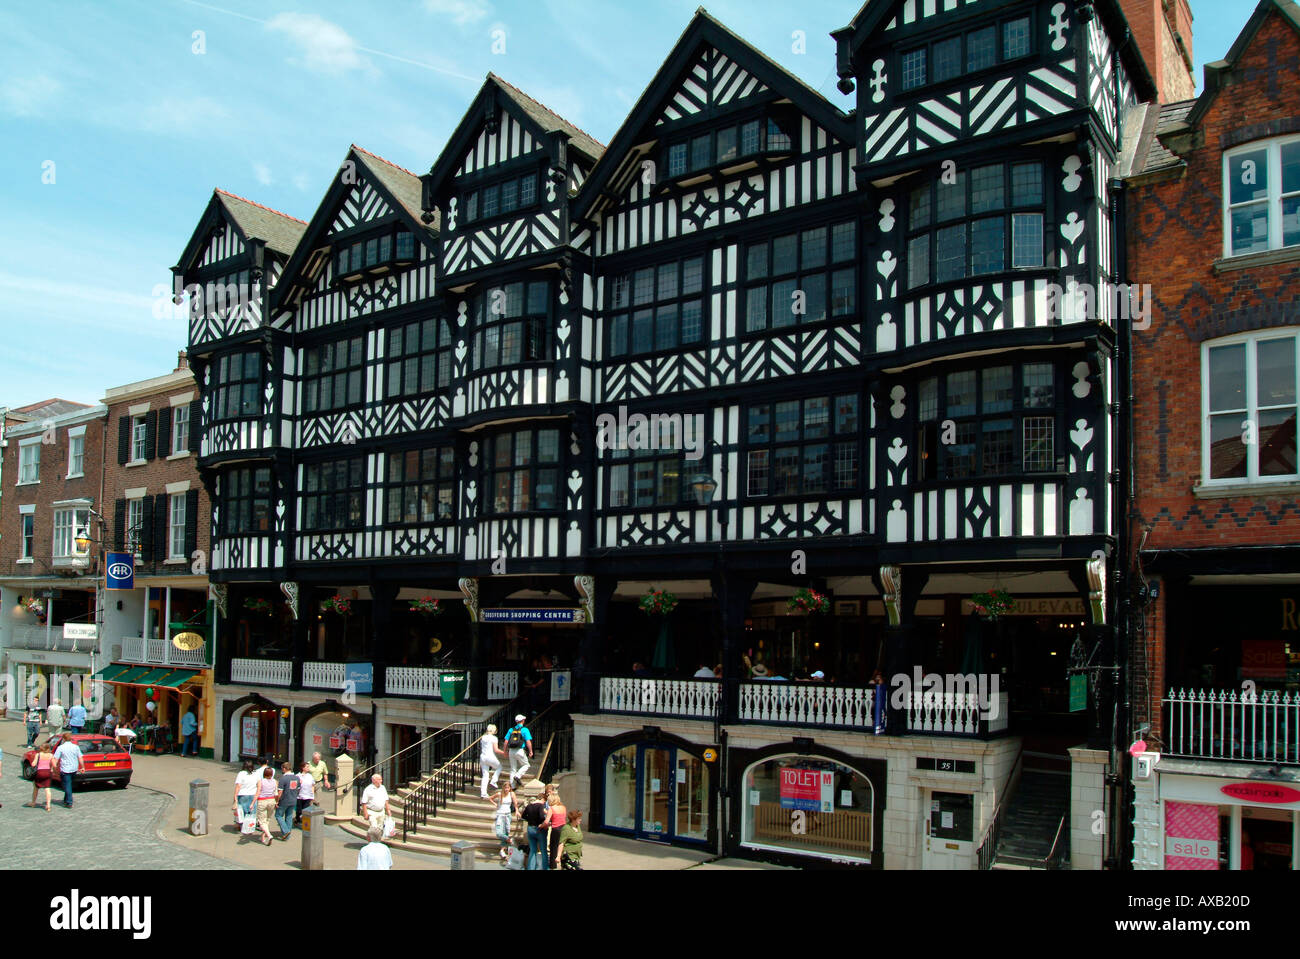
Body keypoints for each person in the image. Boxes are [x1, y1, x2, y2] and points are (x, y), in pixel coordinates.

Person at [52, 734, 85, 809]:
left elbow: (55, 759)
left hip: (65, 769)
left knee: (66, 785)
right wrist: (82, 767)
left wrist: (54, 768)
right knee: (68, 784)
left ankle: (69, 802)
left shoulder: (61, 748)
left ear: (63, 739)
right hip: (74, 769)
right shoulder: (75, 747)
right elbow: (80, 758)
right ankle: (66, 800)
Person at [486, 780, 516, 860]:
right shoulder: (499, 794)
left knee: (506, 832)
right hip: (500, 815)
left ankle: (502, 850)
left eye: (508, 788)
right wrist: (496, 804)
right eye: (505, 788)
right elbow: (490, 798)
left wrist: (517, 811)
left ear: (510, 788)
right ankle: (508, 839)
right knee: (499, 833)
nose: (506, 789)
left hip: (507, 814)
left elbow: (515, 803)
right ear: (503, 788)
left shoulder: (512, 794)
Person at [520, 791, 550, 870]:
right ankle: (545, 868)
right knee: (543, 850)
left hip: (530, 828)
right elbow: (541, 817)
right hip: (539, 829)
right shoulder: (540, 806)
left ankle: (530, 868)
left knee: (533, 850)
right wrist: (544, 820)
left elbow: (523, 816)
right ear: (543, 799)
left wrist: (530, 820)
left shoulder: (529, 806)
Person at [504, 715, 533, 787]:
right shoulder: (525, 729)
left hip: (511, 750)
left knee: (513, 768)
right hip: (520, 750)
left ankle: (512, 786)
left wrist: (505, 751)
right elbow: (528, 741)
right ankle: (517, 776)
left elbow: (506, 741)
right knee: (526, 765)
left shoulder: (511, 730)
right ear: (523, 721)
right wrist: (530, 751)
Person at [254, 766, 279, 845]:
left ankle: (269, 835)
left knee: (261, 821)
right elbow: (276, 793)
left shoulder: (260, 781)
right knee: (267, 819)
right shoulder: (275, 781)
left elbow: (257, 793)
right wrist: (277, 802)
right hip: (272, 801)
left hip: (262, 801)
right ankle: (263, 837)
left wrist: (252, 803)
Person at [479, 723, 505, 798]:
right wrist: (504, 753)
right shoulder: (494, 738)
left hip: (483, 757)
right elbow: (496, 750)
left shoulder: (483, 737)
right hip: (490, 756)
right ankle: (494, 780)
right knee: (499, 767)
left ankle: (483, 793)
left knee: (485, 775)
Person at [27, 741, 55, 811]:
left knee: (36, 788)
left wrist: (32, 763)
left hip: (40, 772)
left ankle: (33, 802)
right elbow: (54, 765)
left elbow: (33, 764)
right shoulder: (51, 755)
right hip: (48, 772)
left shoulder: (38, 755)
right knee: (47, 789)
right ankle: (48, 805)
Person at [273, 762, 298, 840]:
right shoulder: (297, 778)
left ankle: (286, 831)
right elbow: (298, 789)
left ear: (284, 768)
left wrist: (277, 801)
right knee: (289, 816)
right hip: (293, 799)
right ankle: (287, 835)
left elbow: (280, 792)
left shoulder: (283, 778)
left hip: (284, 800)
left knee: (278, 815)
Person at [546, 790, 568, 870]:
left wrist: (543, 825)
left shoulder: (551, 809)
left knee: (553, 847)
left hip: (556, 829)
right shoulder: (563, 807)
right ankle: (563, 865)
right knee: (562, 846)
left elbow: (546, 821)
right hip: (564, 828)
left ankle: (553, 866)